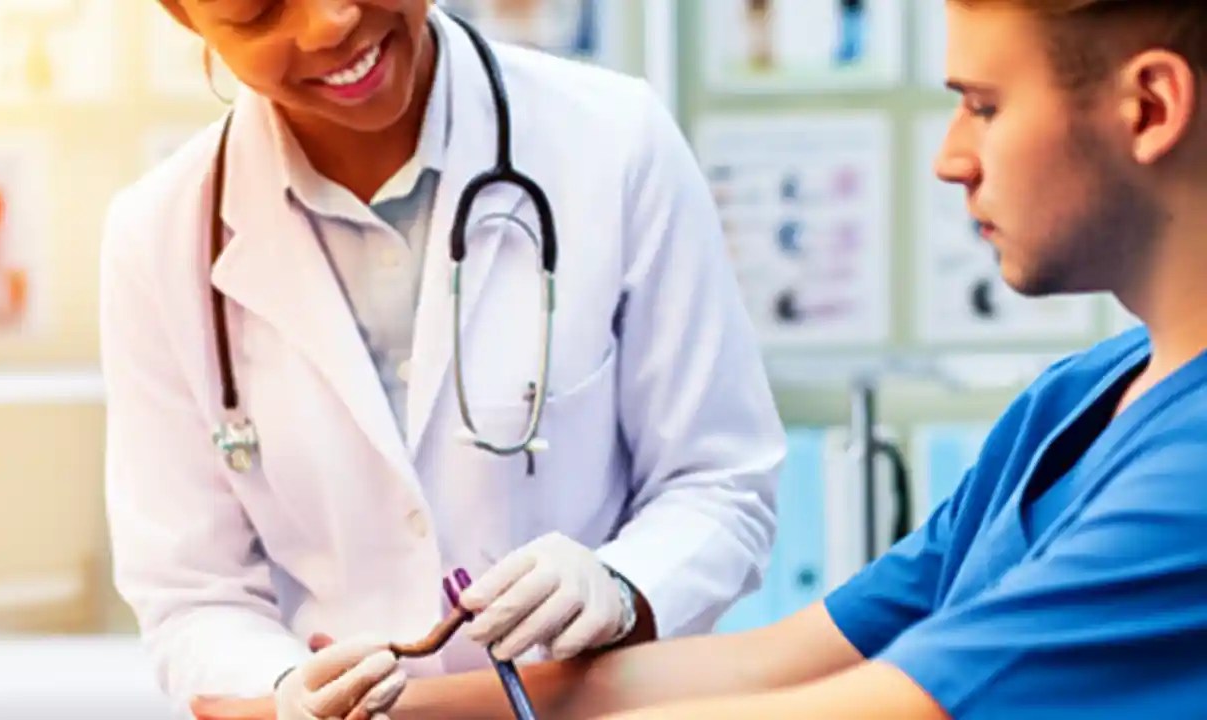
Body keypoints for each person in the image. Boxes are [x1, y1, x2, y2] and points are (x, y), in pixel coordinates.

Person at [213, 0, 1207, 717]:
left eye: (982, 105)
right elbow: (783, 661)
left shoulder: (1190, 464)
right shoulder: (1071, 405)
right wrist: (369, 706)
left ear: (1150, 108)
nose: (949, 158)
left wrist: (614, 589)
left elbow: (870, 707)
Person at [98, 0, 786, 716]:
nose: (330, 22)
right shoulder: (158, 236)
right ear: (187, 18)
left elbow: (721, 481)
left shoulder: (612, 141)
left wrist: (622, 586)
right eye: (259, 9)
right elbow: (192, 590)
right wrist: (286, 689)